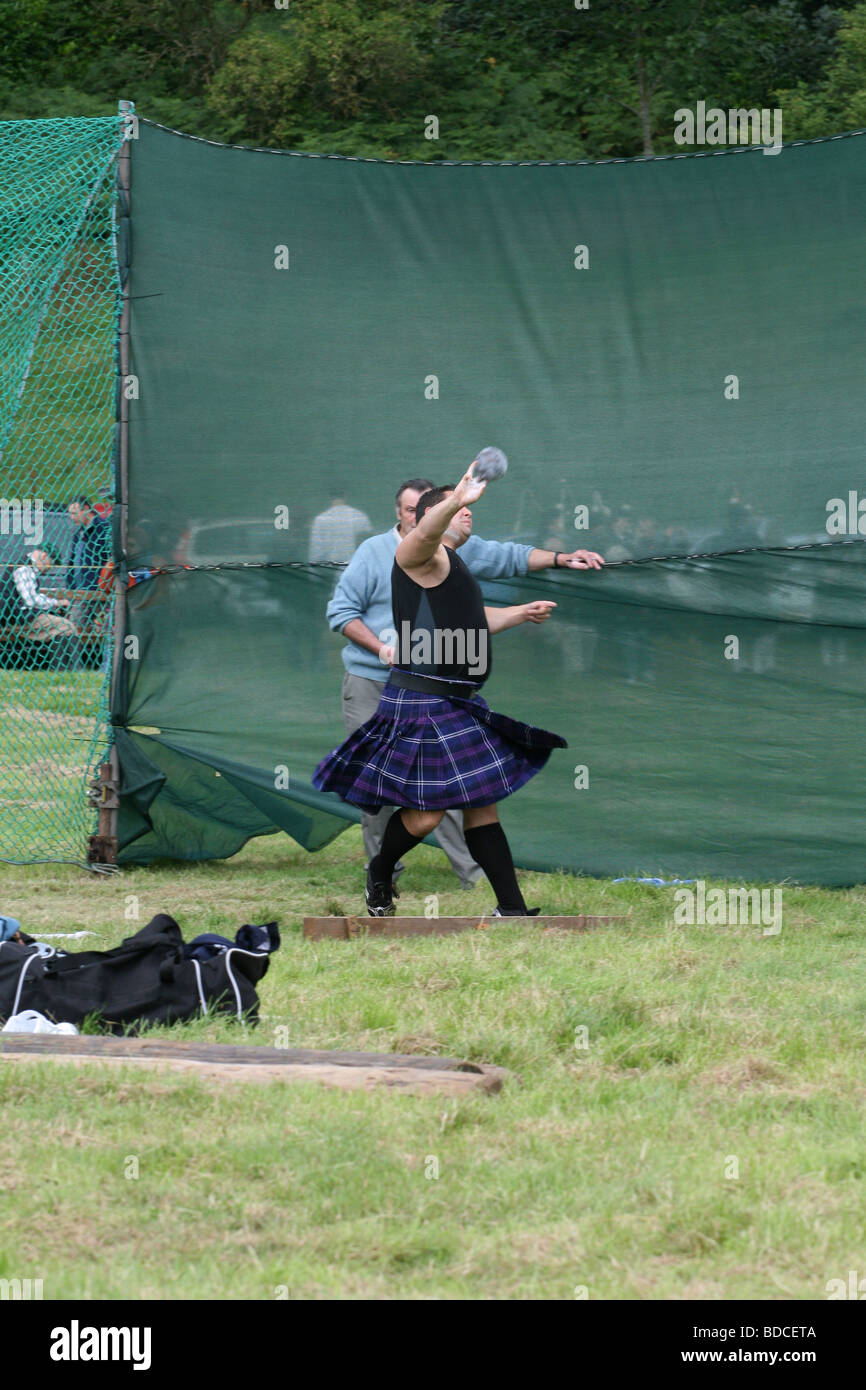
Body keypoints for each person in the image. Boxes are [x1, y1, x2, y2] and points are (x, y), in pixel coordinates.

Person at [314, 465, 574, 917]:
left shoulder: (453, 563)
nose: (470, 513)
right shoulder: (418, 556)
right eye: (457, 509)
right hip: (421, 701)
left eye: (467, 506)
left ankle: (511, 908)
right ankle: (380, 871)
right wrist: (455, 499)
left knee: (480, 804)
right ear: (430, 518)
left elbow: (473, 620)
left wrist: (519, 613)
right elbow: (422, 535)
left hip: (455, 700)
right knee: (428, 814)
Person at [4, 548, 76, 642]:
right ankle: (70, 657)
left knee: (59, 628)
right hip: (15, 619)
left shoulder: (26, 565)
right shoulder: (24, 568)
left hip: (18, 617)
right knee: (66, 626)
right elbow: (31, 601)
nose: (50, 569)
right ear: (44, 556)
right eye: (51, 564)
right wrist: (56, 603)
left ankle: (63, 656)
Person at [66, 496, 110, 631]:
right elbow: (72, 562)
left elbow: (109, 559)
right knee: (78, 627)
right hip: (79, 591)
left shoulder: (104, 529)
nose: (71, 517)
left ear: (86, 509)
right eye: (70, 513)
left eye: (74, 513)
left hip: (95, 591)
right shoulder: (78, 533)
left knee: (74, 625)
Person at [308, 485, 373, 564]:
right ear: (346, 495)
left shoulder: (320, 520)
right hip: (356, 570)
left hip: (329, 571)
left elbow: (316, 552)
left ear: (329, 497)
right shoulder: (360, 517)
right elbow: (369, 549)